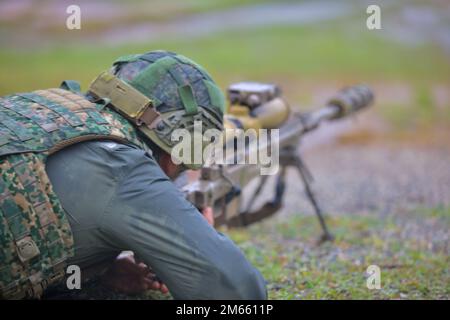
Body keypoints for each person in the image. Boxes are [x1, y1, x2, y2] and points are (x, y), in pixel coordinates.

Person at [0, 50, 267, 300]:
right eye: (184, 163)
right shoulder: (121, 168)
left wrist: (99, 270)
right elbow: (237, 291)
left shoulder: (41, 108)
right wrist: (198, 239)